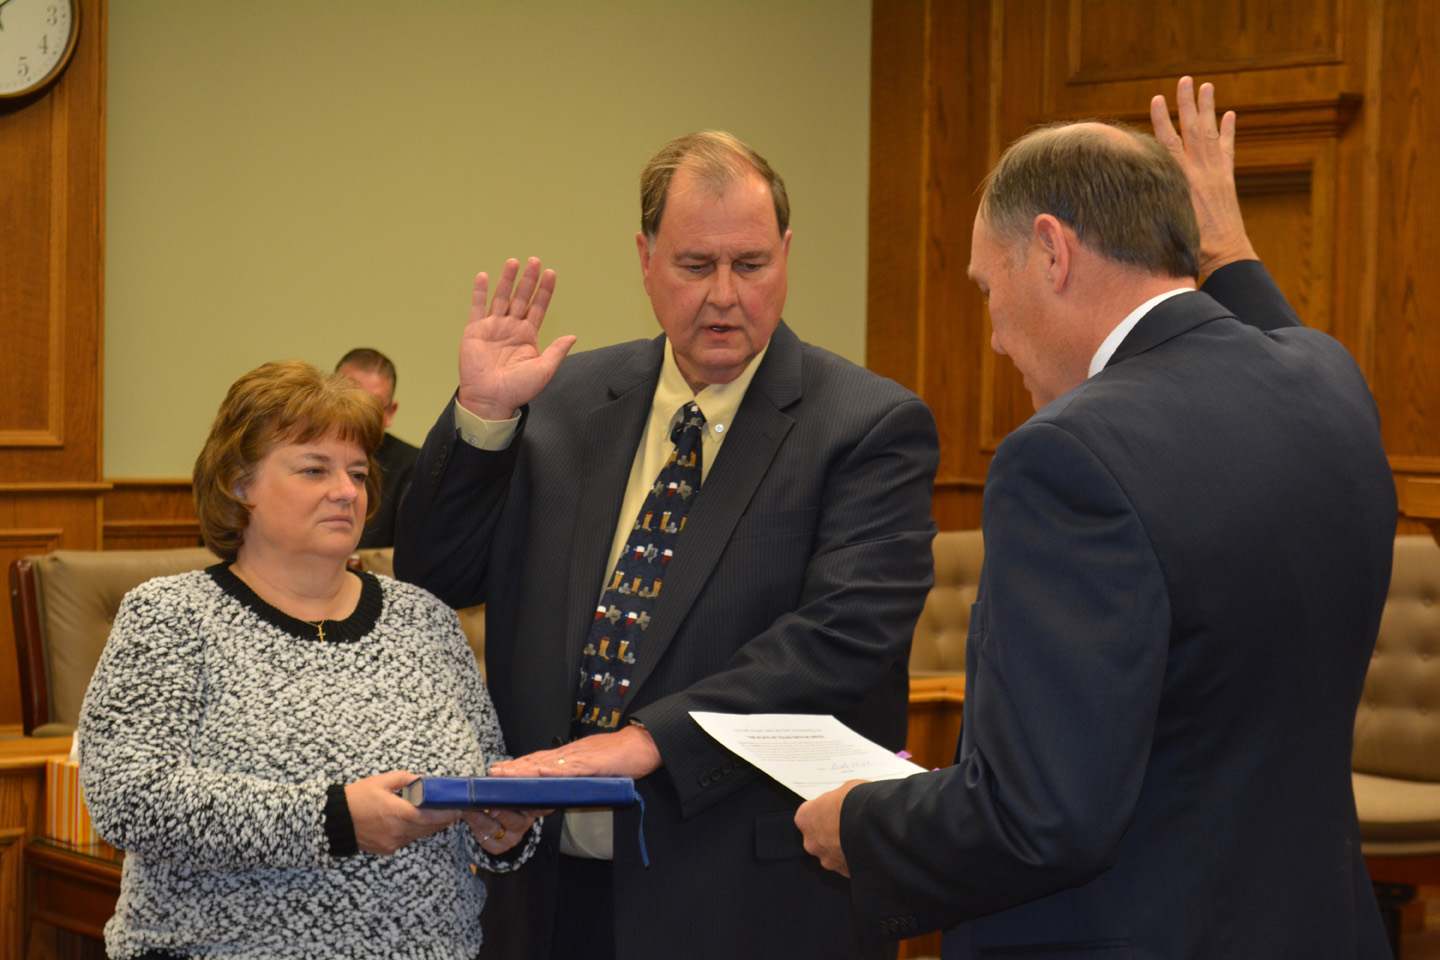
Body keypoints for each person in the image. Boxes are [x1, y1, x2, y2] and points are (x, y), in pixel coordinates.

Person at [794, 78, 1398, 958]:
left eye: (986, 288)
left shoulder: (1066, 457)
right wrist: (1228, 247)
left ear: (1051, 251)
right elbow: (1277, 340)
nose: (995, 335)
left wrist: (861, 823)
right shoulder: (1330, 385)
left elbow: (1041, 815)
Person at [394, 132, 940, 959]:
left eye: (750, 265)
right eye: (695, 265)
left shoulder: (866, 425)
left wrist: (649, 739)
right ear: (646, 259)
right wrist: (485, 417)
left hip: (743, 897)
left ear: (786, 256)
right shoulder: (562, 400)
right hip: (546, 885)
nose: (724, 295)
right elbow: (435, 578)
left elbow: (844, 636)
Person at [79, 361, 540, 960]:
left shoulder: (425, 619)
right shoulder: (171, 615)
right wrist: (335, 819)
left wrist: (503, 830)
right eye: (314, 469)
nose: (346, 491)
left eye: (357, 472)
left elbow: (485, 784)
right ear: (239, 484)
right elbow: (130, 800)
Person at [335, 347, 420, 548]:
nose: (358, 416)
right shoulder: (305, 452)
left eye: (371, 407)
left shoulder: (415, 467)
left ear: (389, 413)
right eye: (348, 401)